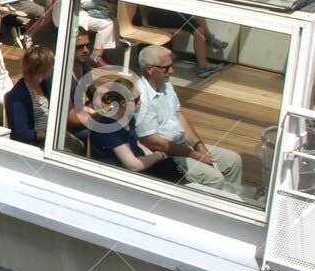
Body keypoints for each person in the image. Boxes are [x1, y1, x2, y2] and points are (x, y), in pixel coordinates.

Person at [134, 44, 246, 194]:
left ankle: (231, 199)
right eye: (166, 68)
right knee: (214, 178)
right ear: (150, 69)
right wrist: (194, 155)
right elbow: (152, 141)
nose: (172, 71)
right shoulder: (141, 96)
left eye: (172, 66)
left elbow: (179, 116)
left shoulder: (166, 86)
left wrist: (200, 146)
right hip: (167, 156)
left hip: (183, 146)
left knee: (233, 160)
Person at [86, 74, 170, 176]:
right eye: (136, 100)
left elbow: (137, 144)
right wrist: (158, 156)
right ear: (123, 103)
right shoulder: (109, 129)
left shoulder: (127, 119)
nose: (140, 102)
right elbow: (133, 165)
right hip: (117, 176)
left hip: (137, 168)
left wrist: (155, 157)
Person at [4, 46, 55, 147]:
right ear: (42, 69)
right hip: (36, 145)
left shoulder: (45, 84)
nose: (53, 69)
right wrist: (46, 135)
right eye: (50, 66)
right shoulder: (18, 96)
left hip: (50, 138)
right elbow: (20, 133)